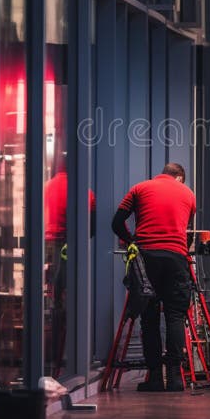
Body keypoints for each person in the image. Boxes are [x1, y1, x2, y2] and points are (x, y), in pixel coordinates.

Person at [111, 163, 196, 392]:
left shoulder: (139, 188)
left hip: (146, 258)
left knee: (149, 318)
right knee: (175, 316)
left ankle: (155, 378)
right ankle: (176, 378)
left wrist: (130, 241)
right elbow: (187, 234)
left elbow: (116, 223)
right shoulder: (188, 194)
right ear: (179, 177)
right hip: (176, 259)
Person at [44, 159, 96, 378]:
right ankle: (68, 353)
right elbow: (90, 228)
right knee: (71, 300)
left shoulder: (46, 187)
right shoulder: (85, 192)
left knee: (53, 299)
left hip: (48, 244)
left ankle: (51, 351)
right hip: (69, 247)